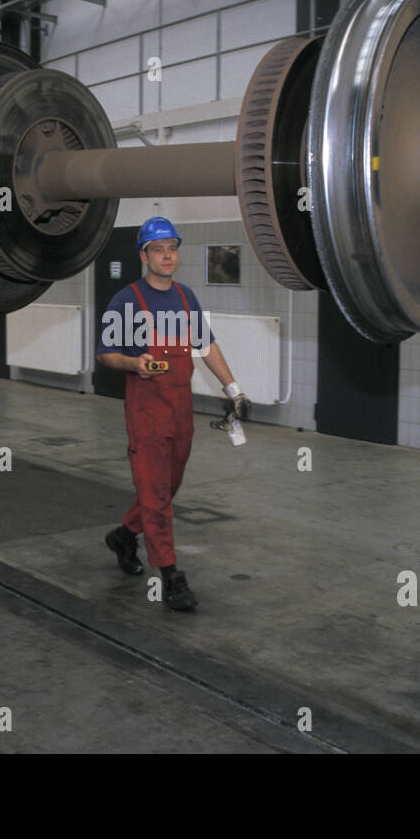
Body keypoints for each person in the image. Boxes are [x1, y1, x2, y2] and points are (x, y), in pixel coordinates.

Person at [95, 217, 250, 611]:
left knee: (167, 486)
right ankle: (170, 575)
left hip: (181, 409)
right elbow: (105, 354)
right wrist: (134, 364)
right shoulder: (127, 300)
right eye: (158, 249)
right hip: (146, 410)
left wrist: (233, 388)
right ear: (144, 255)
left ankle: (125, 535)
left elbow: (207, 346)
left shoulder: (185, 298)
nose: (167, 255)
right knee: (157, 492)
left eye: (172, 248)